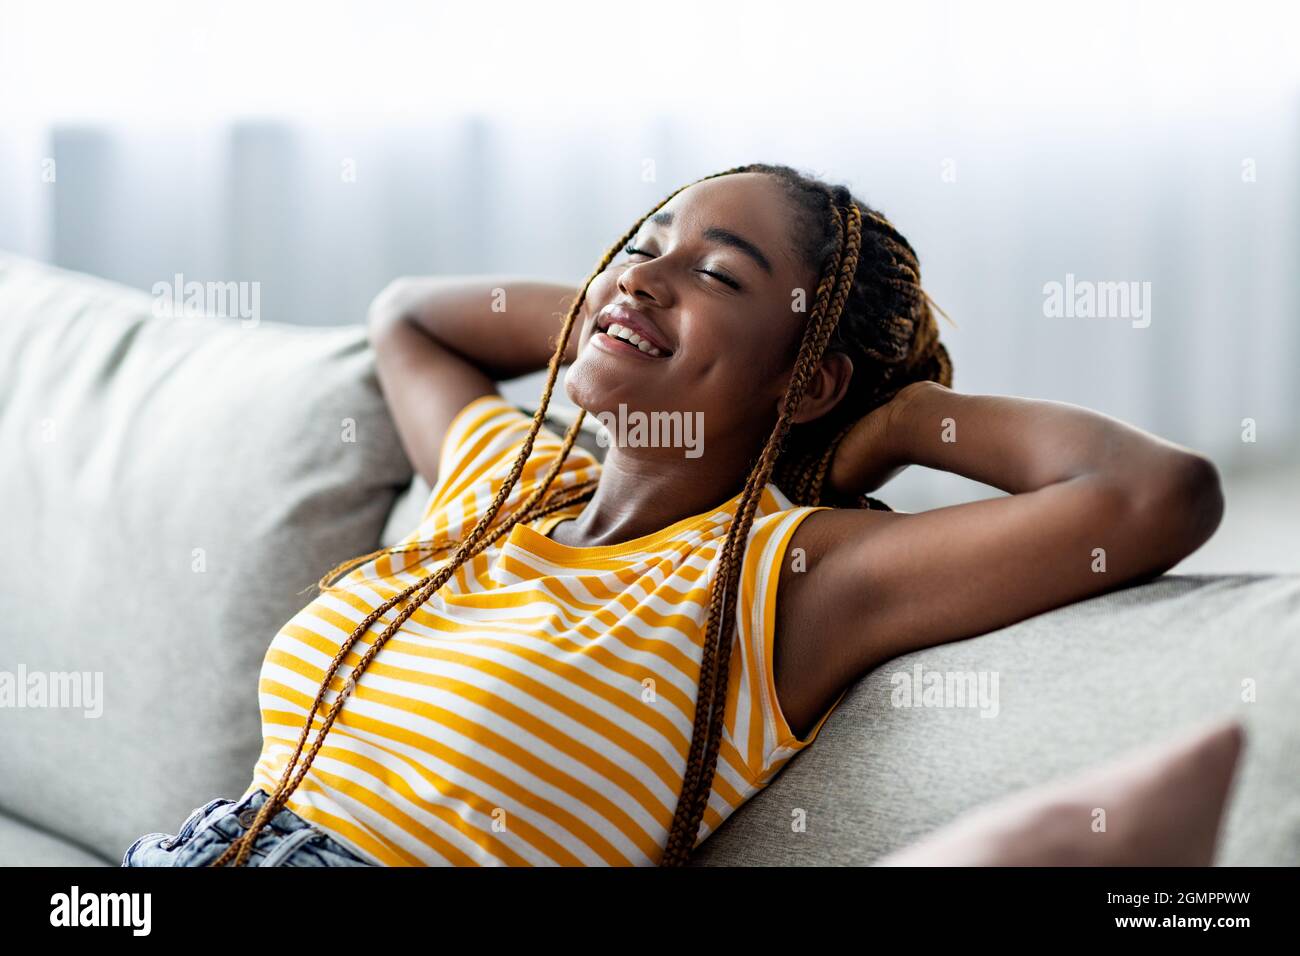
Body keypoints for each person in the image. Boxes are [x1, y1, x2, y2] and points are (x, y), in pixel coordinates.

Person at [122, 163, 1224, 867]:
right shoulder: (504, 483)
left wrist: (893, 418)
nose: (645, 275)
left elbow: (1151, 493)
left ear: (812, 379)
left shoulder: (775, 577)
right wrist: (629, 306)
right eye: (646, 243)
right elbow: (408, 318)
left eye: (720, 274)